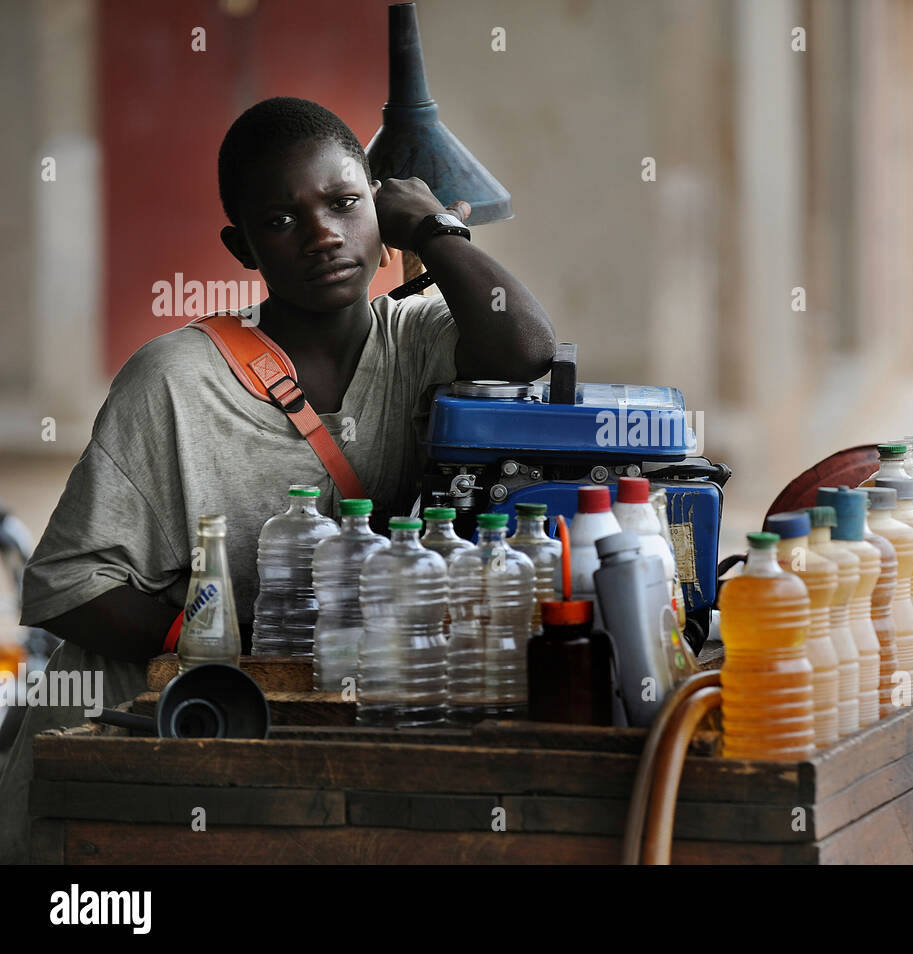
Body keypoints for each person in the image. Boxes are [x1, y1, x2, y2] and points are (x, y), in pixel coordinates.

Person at [0, 97, 555, 861]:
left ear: (379, 215)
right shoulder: (173, 380)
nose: (324, 232)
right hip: (127, 737)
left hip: (270, 742)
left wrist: (434, 228)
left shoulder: (418, 340)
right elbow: (68, 584)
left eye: (344, 202)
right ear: (243, 245)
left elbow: (527, 351)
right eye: (283, 219)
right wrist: (229, 643)